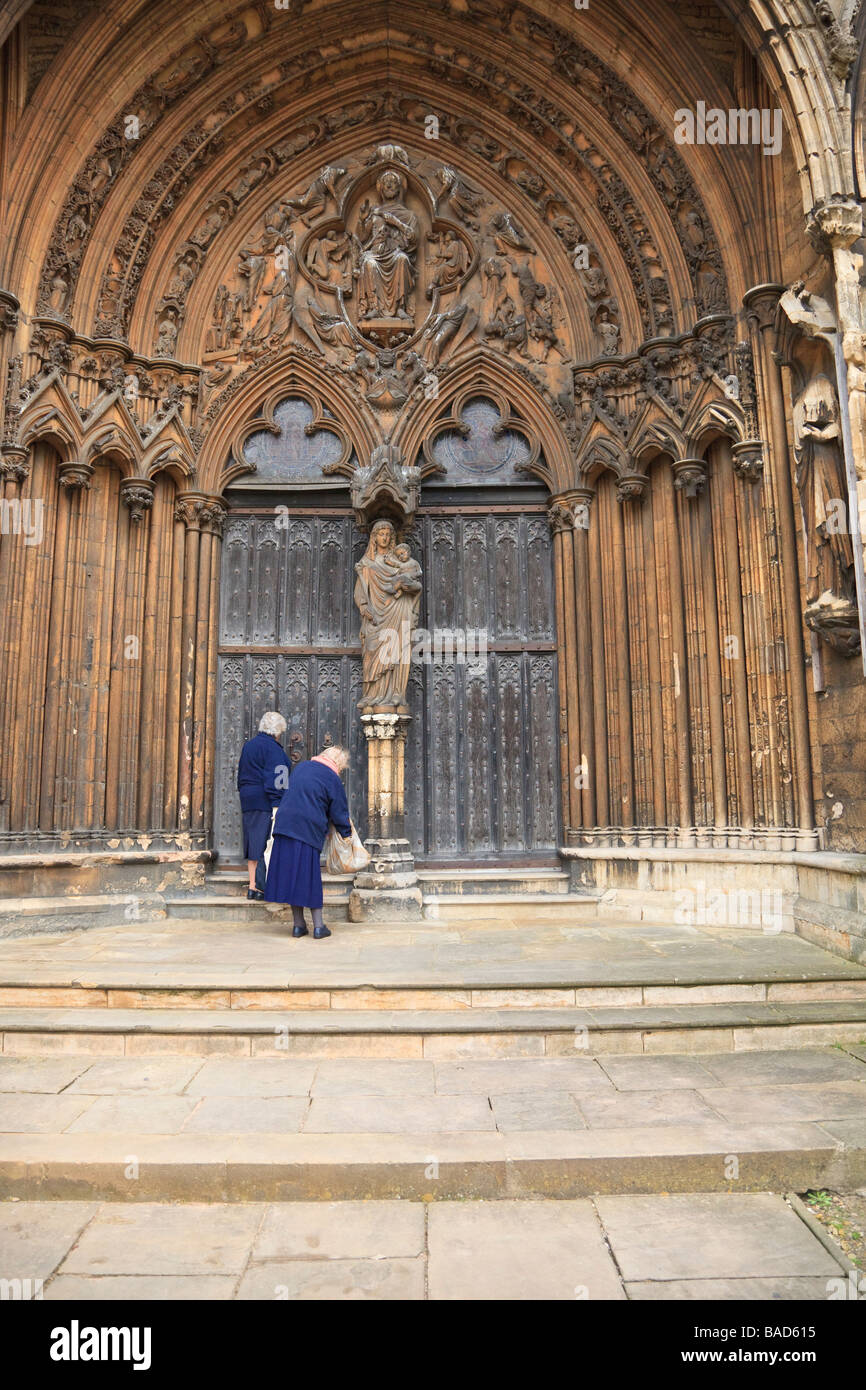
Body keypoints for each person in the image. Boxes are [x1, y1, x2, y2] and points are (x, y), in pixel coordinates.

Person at [265, 745, 352, 939]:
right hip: (306, 828)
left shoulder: (302, 767)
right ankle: (319, 926)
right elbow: (339, 810)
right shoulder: (331, 777)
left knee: (292, 876)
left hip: (284, 824)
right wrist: (346, 833)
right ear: (337, 763)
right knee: (308, 877)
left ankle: (298, 925)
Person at [236, 712, 289, 900]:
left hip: (248, 798)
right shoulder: (274, 749)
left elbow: (241, 772)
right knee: (264, 842)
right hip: (265, 799)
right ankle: (260, 886)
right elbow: (278, 778)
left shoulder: (249, 746)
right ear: (277, 731)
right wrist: (279, 802)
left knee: (253, 841)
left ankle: (252, 885)